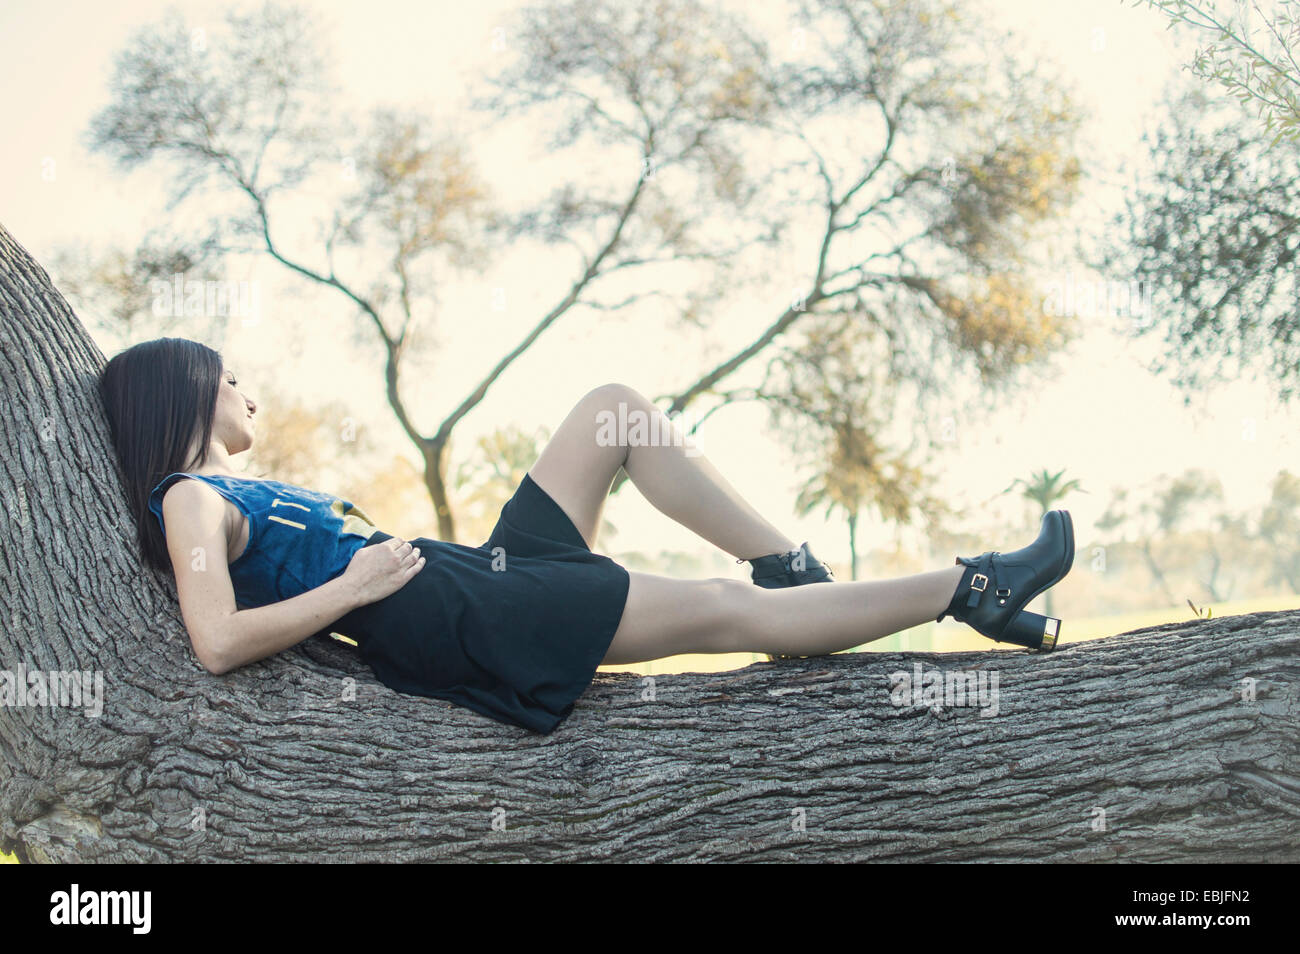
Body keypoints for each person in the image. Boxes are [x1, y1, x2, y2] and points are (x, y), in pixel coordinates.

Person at [98, 337, 1073, 735]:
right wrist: (350, 591)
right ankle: (970, 588)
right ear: (184, 390)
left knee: (612, 412)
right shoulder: (186, 498)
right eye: (229, 380)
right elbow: (216, 642)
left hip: (472, 572)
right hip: (464, 610)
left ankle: (792, 566)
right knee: (727, 614)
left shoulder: (221, 490)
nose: (248, 392)